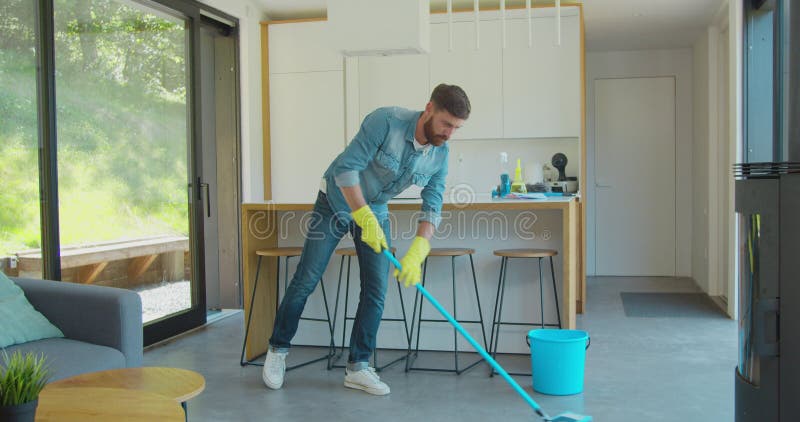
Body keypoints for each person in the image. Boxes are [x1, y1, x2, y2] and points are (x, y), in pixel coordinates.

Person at [262, 84, 470, 396]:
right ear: (429, 109)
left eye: (457, 128)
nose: (449, 134)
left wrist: (419, 249)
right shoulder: (386, 121)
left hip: (376, 208)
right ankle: (278, 350)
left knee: (376, 289)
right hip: (334, 200)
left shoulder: (440, 154)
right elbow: (346, 170)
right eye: (446, 124)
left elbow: (433, 204)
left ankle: (358, 366)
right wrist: (362, 217)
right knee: (307, 277)